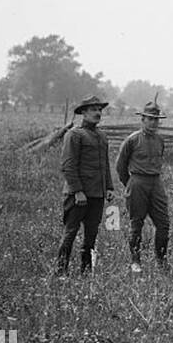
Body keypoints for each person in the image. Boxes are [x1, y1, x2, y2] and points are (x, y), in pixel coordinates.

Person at [56, 94, 115, 276]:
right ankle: (61, 272)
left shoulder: (101, 137)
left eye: (99, 110)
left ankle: (86, 273)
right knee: (70, 233)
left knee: (91, 236)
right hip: (77, 195)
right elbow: (68, 166)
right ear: (83, 112)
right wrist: (77, 191)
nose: (97, 113)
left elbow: (104, 164)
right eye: (93, 109)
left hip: (97, 195)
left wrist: (109, 188)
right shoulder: (74, 135)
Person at [116, 101, 171, 274]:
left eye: (156, 119)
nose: (153, 123)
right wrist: (131, 184)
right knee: (136, 223)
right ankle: (135, 262)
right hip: (137, 181)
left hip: (155, 182)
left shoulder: (160, 140)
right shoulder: (132, 140)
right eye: (150, 119)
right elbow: (120, 166)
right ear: (143, 119)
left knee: (163, 224)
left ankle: (161, 262)